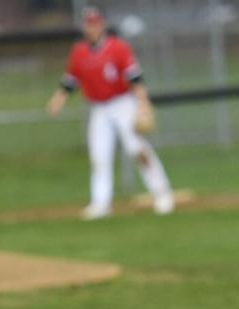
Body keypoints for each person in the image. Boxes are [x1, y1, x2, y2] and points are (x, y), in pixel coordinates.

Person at [46, 5, 174, 220]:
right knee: (99, 155)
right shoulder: (79, 51)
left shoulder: (118, 48)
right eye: (89, 24)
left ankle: (162, 193)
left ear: (103, 24)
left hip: (123, 103)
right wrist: (58, 99)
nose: (92, 27)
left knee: (137, 149)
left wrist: (142, 105)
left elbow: (135, 79)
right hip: (99, 108)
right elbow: (71, 80)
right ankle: (101, 203)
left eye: (95, 23)